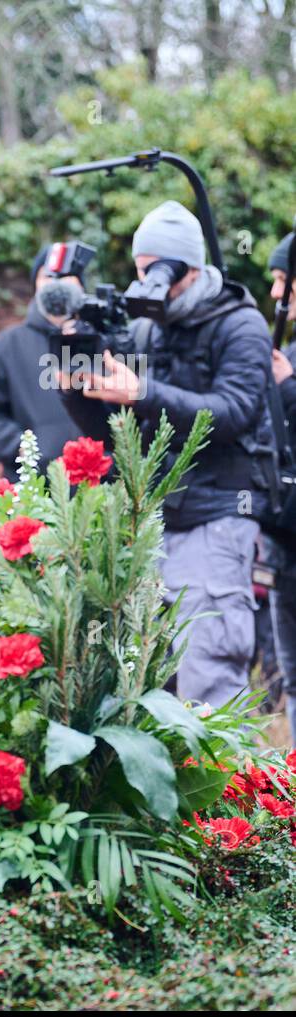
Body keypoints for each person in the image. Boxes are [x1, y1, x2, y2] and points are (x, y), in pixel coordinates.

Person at [63, 200, 274, 708]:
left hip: (218, 515)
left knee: (208, 668)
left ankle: (232, 786)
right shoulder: (147, 329)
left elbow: (234, 412)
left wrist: (144, 393)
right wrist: (77, 382)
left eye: (158, 270)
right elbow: (115, 427)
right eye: (141, 271)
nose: (149, 283)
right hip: (156, 517)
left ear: (190, 268)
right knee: (148, 677)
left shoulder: (240, 325)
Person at [0, 243, 90, 476]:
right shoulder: (7, 345)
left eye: (65, 276)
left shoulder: (103, 340)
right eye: (48, 276)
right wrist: (23, 447)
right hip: (33, 488)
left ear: (80, 285)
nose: (56, 284)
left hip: (97, 488)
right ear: (35, 283)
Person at [263, 231, 296, 740]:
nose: (275, 294)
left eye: (284, 281)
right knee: (292, 676)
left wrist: (288, 389)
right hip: (285, 541)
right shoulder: (287, 349)